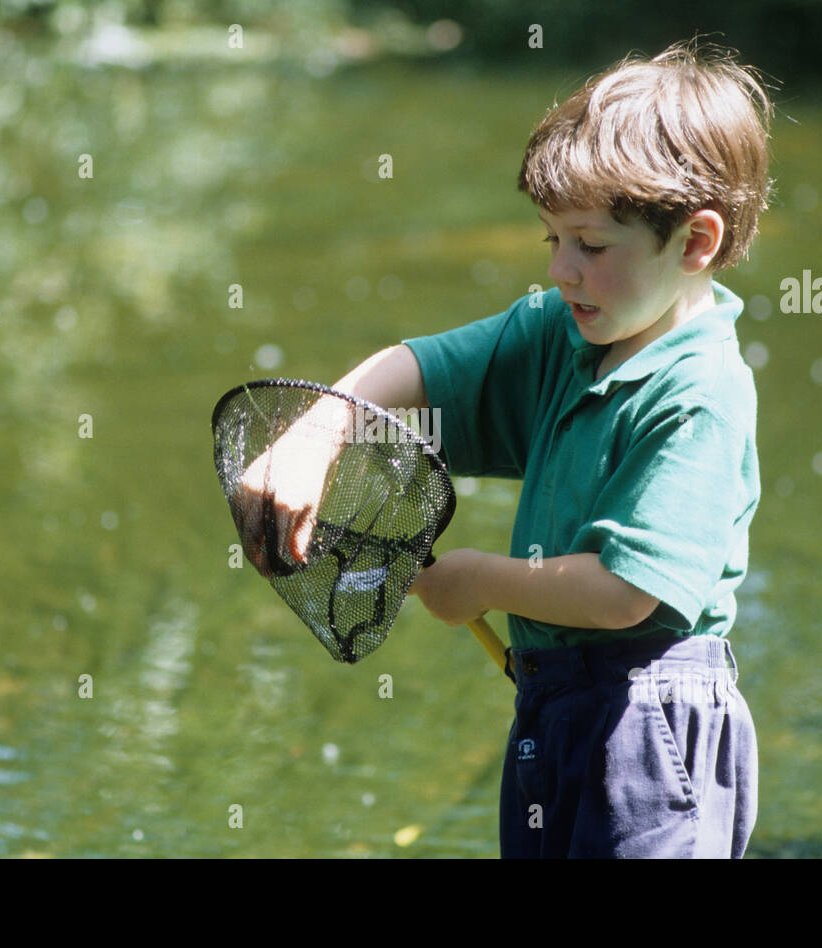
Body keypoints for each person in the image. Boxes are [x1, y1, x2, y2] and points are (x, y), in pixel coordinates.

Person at [239, 39, 771, 858]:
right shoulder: (565, 333)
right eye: (551, 239)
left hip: (650, 729)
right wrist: (319, 433)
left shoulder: (699, 393)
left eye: (591, 245)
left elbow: (623, 593)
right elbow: (423, 364)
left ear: (695, 242)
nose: (562, 270)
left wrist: (480, 581)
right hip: (552, 707)